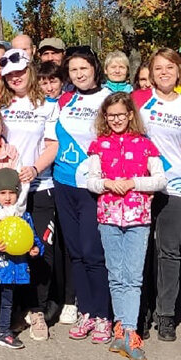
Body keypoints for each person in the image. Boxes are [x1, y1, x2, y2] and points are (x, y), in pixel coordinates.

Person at [85, 92, 166, 360]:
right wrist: (108, 184)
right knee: (116, 274)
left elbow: (160, 180)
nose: (116, 120)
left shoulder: (145, 145)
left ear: (130, 114)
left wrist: (133, 183)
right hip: (108, 216)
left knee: (133, 276)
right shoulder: (99, 146)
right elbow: (91, 181)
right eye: (111, 116)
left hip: (138, 217)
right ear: (104, 118)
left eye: (121, 114)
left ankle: (131, 330)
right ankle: (121, 328)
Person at [45, 47, 113, 344]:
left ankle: (103, 314)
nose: (79, 74)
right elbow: (50, 140)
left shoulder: (108, 98)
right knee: (74, 252)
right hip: (63, 182)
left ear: (95, 68)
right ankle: (86, 310)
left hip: (94, 187)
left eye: (84, 68)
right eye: (73, 70)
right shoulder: (63, 100)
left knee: (92, 252)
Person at [0, 52, 61, 340]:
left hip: (40, 187)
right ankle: (16, 309)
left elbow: (52, 145)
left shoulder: (47, 106)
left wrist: (35, 168)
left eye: (20, 71)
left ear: (29, 70)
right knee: (12, 250)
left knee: (40, 251)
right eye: (10, 74)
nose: (15, 77)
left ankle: (38, 311)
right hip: (8, 192)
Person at [135, 48, 181, 342]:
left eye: (169, 68)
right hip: (141, 186)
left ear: (178, 72)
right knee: (142, 250)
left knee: (170, 251)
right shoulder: (140, 104)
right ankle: (141, 311)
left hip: (173, 187)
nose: (163, 73)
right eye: (158, 68)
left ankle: (166, 314)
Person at [0, 169, 41, 354]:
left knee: (7, 303)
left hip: (13, 270)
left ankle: (4, 332)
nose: (8, 197)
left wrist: (35, 248)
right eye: (3, 193)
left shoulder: (22, 216)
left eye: (12, 192)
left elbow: (32, 236)